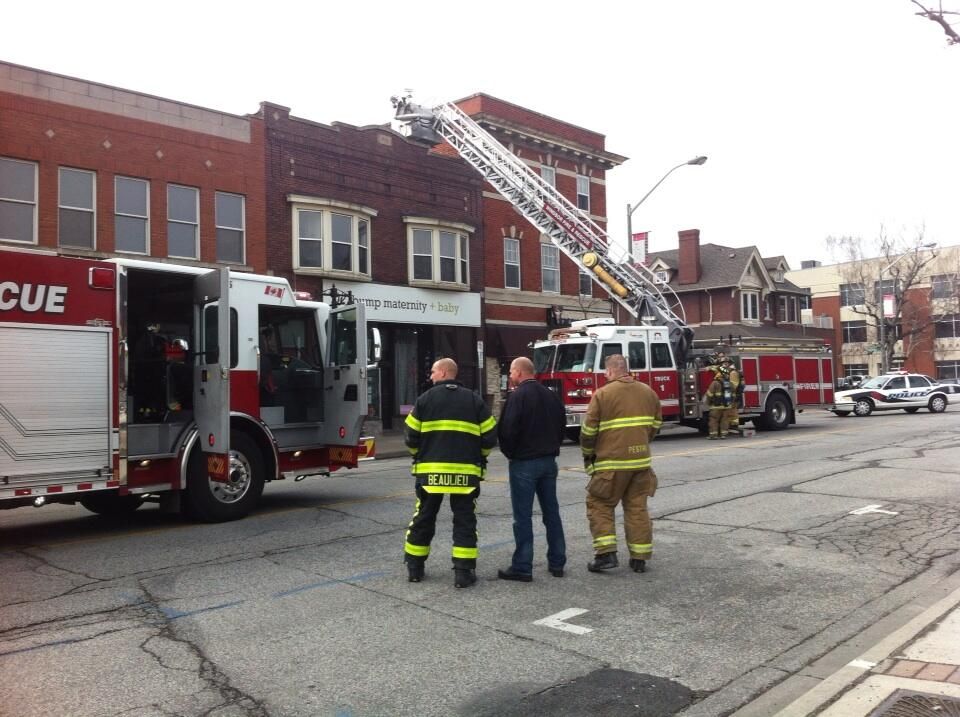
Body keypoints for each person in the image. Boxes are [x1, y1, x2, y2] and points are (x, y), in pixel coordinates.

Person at [404, 358, 497, 588]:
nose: (431, 376)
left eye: (433, 372)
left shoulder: (425, 399)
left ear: (444, 373)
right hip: (466, 474)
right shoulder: (474, 400)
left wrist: (419, 455)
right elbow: (489, 436)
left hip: (430, 473)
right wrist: (480, 457)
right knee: (465, 520)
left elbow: (410, 436)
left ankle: (415, 569)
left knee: (424, 518)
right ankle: (463, 574)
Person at [580, 354, 662, 574]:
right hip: (640, 463)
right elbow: (655, 425)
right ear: (626, 369)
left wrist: (589, 456)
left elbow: (588, 432)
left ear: (609, 371)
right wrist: (641, 442)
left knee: (599, 504)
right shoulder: (649, 392)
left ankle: (606, 554)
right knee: (637, 508)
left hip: (611, 464)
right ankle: (639, 558)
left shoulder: (602, 394)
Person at [496, 356, 567, 582]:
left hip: (524, 462)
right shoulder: (551, 395)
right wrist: (553, 446)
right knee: (551, 512)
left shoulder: (517, 397)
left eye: (511, 372)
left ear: (519, 372)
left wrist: (511, 453)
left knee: (522, 516)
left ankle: (523, 566)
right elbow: (562, 424)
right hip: (548, 461)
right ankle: (557, 562)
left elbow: (507, 430)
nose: (510, 376)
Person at [705, 365, 734, 439]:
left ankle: (713, 435)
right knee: (725, 420)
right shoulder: (730, 383)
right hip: (727, 406)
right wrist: (730, 404)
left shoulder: (715, 383)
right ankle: (724, 434)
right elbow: (733, 395)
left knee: (713, 420)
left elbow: (709, 394)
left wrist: (707, 403)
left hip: (716, 406)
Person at [722, 357, 744, 436]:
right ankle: (731, 425)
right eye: (723, 363)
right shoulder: (728, 371)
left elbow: (733, 385)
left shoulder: (733, 373)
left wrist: (723, 385)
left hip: (732, 395)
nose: (724, 364)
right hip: (729, 394)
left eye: (726, 363)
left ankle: (734, 425)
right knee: (730, 410)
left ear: (730, 363)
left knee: (731, 410)